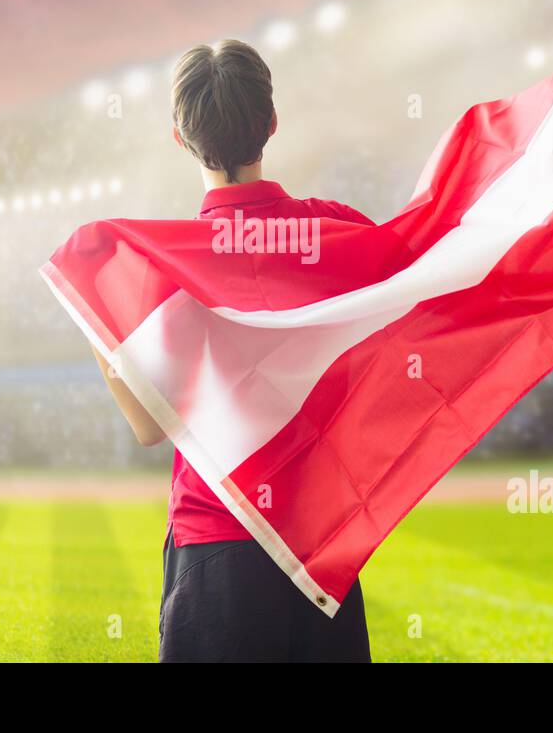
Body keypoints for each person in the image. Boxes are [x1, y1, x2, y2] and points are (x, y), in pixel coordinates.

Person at [88, 39, 373, 662]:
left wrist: (100, 327)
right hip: (319, 548)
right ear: (271, 124)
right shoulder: (341, 232)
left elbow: (146, 426)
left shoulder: (163, 273)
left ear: (180, 138)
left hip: (216, 545)